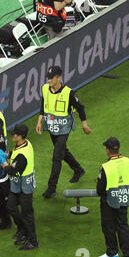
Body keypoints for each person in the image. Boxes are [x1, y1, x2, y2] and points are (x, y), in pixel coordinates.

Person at [36, 66, 92, 198]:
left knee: (57, 157)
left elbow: (80, 108)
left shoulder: (68, 93)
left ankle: (51, 188)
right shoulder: (45, 89)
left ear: (59, 77)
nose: (49, 80)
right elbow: (43, 106)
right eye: (48, 77)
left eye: (52, 78)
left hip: (64, 128)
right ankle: (78, 170)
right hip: (51, 127)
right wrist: (39, 121)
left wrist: (84, 124)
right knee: (62, 151)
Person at [96, 137, 129, 257]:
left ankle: (112, 253)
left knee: (109, 226)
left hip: (109, 200)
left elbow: (99, 189)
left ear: (108, 150)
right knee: (123, 224)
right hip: (124, 196)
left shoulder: (106, 167)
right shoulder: (128, 161)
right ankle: (127, 254)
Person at [5, 124, 39, 251]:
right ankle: (23, 230)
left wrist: (5, 164)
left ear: (20, 136)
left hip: (25, 187)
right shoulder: (25, 143)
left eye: (14, 134)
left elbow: (12, 170)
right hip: (17, 184)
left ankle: (33, 241)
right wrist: (9, 156)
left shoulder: (22, 155)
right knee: (11, 207)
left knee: (27, 214)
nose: (12, 135)